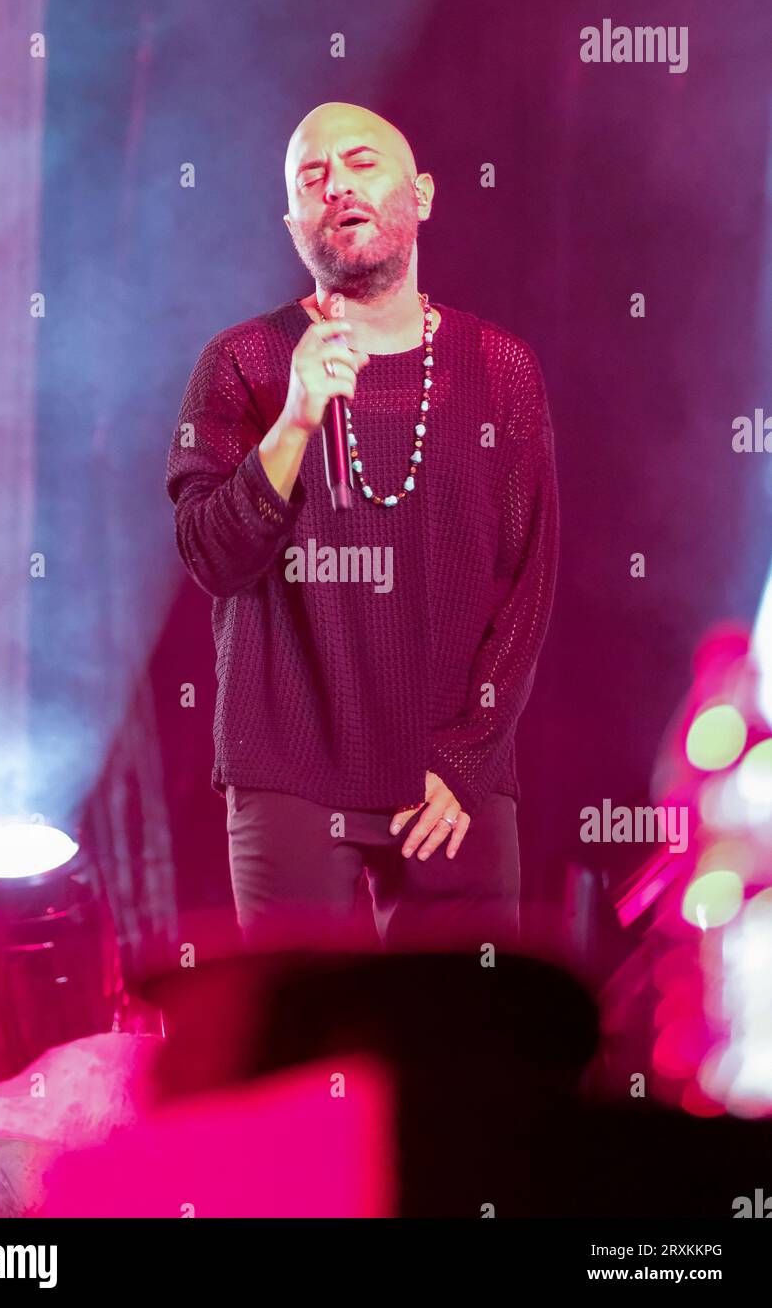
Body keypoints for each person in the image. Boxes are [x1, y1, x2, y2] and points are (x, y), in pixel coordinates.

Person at [166, 101, 559, 949]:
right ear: (293, 221)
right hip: (291, 766)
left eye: (360, 161)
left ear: (420, 194)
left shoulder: (500, 371)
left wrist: (465, 758)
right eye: (312, 176)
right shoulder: (242, 362)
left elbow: (527, 582)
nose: (337, 183)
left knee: (463, 1051)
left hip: (454, 768)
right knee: (301, 1049)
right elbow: (211, 555)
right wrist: (295, 420)